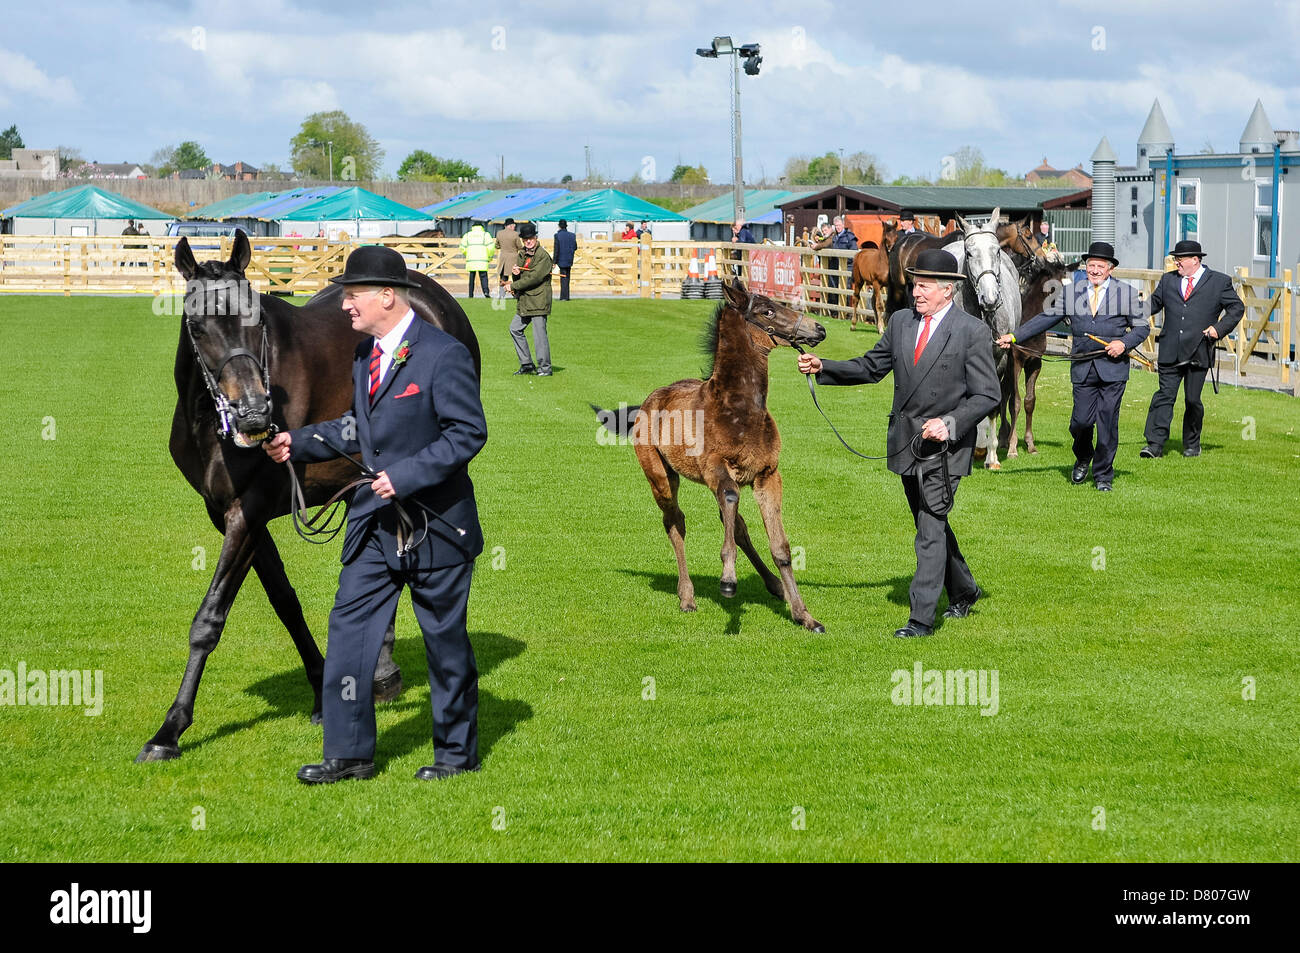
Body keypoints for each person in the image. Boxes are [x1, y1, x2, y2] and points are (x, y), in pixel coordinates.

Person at [263, 245, 487, 783]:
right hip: (372, 523)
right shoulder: (365, 356)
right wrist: (299, 441)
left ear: (387, 295)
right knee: (349, 634)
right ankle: (348, 754)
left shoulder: (442, 354)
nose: (343, 304)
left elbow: (467, 433)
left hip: (437, 525)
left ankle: (455, 756)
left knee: (444, 643)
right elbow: (358, 429)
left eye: (352, 294)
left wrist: (405, 476)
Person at [797, 249, 1001, 638]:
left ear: (948, 291)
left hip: (945, 449)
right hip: (905, 442)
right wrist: (826, 367)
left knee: (928, 528)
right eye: (914, 285)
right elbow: (872, 367)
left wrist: (950, 422)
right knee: (931, 521)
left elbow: (987, 395)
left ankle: (920, 619)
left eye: (924, 286)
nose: (916, 293)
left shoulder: (972, 332)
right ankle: (964, 589)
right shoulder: (901, 322)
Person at [997, 241, 1149, 491]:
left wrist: (1123, 343)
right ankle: (1083, 457)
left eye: (1100, 266)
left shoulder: (1127, 294)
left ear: (1110, 269)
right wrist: (1014, 337)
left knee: (1107, 423)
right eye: (1091, 266)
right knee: (1079, 423)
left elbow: (1142, 327)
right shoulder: (1071, 292)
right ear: (1086, 268)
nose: (1095, 270)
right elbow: (1046, 318)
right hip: (1082, 368)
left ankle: (1103, 475)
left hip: (1112, 370)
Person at [1139, 239, 1244, 458]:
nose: (1176, 263)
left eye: (1180, 259)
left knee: (1192, 400)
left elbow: (1237, 308)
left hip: (1198, 350)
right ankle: (1155, 444)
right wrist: (1127, 313)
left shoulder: (1219, 282)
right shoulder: (1168, 280)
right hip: (1170, 349)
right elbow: (1152, 305)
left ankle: (1192, 443)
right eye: (1175, 259)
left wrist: (1218, 328)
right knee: (1165, 396)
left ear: (1195, 260)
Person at [507, 222, 553, 376]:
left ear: (536, 237)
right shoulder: (522, 254)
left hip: (539, 300)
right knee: (515, 329)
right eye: (525, 239)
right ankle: (527, 364)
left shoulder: (543, 256)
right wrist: (515, 273)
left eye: (531, 238)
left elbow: (534, 278)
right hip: (525, 301)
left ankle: (545, 368)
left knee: (539, 336)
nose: (528, 241)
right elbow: (521, 276)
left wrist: (513, 286)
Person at [458, 220, 494, 297]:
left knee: (471, 278)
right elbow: (491, 247)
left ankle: (470, 294)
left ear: (473, 227)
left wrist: (467, 253)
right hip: (483, 260)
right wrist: (489, 256)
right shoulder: (485, 235)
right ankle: (486, 292)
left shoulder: (467, 235)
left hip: (471, 260)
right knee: (483, 277)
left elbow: (462, 247)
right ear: (482, 227)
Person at [495, 218, 521, 299]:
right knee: (515, 277)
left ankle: (501, 294)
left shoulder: (499, 233)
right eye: (514, 226)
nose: (514, 227)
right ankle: (516, 294)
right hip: (513, 257)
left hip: (503, 258)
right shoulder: (515, 234)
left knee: (503, 278)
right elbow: (519, 246)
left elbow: (497, 245)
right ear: (511, 225)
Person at [552, 218, 577, 301]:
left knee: (563, 278)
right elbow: (575, 247)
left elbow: (556, 249)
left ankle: (563, 297)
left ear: (559, 226)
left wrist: (554, 262)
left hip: (561, 260)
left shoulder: (557, 236)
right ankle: (567, 296)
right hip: (569, 259)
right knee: (567, 278)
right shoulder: (572, 235)